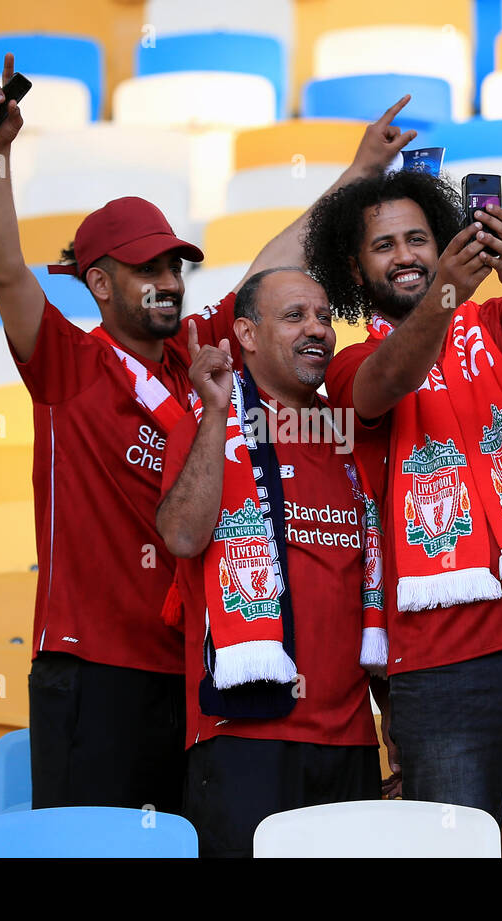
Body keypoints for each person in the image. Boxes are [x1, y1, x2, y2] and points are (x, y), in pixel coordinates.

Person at [0, 52, 416, 812]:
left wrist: (360, 173)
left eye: (176, 267)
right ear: (100, 283)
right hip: (95, 666)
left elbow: (279, 265)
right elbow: (7, 271)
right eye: (148, 269)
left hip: (190, 669)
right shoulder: (66, 366)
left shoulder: (198, 358)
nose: (170, 283)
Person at [305, 169, 502, 856]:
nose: (407, 255)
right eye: (384, 246)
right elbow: (385, 385)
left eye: (419, 238)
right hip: (438, 667)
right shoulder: (346, 367)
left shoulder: (491, 320)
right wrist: (450, 292)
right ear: (356, 277)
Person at [156, 266, 391, 857]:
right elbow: (182, 536)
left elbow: (377, 590)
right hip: (244, 737)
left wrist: (397, 726)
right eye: (294, 316)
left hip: (350, 743)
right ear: (247, 335)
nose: (317, 329)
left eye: (324, 317)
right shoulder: (208, 425)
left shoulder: (351, 435)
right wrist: (213, 415)